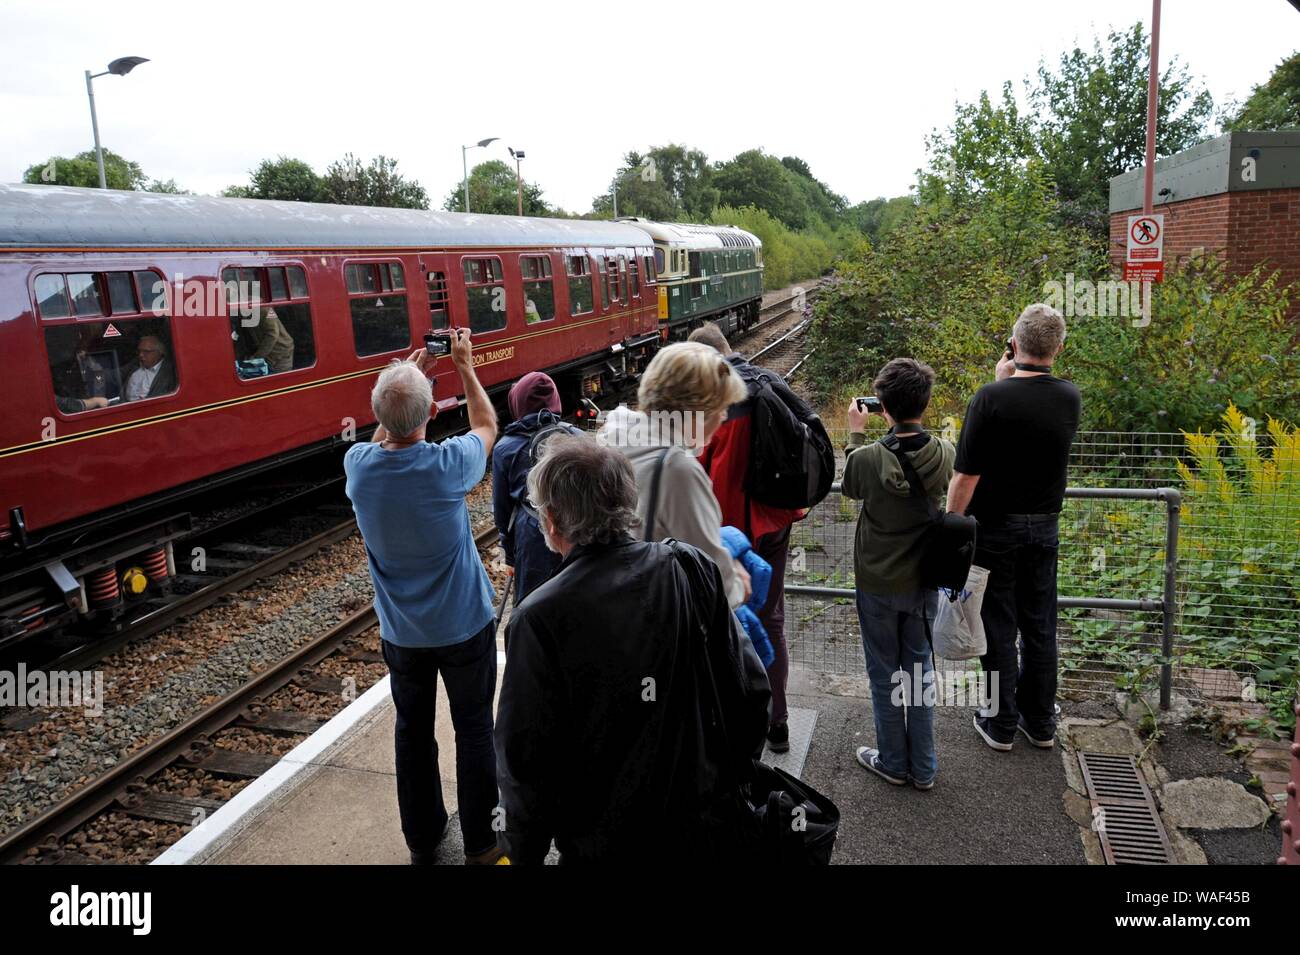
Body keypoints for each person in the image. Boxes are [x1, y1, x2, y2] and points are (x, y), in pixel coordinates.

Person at [494, 435, 772, 863]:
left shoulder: (538, 617)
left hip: (602, 843)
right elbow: (750, 688)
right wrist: (727, 778)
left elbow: (525, 761)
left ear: (550, 519)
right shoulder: (689, 566)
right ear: (626, 500)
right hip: (701, 823)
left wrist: (523, 852)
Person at [342, 328, 503, 865]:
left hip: (402, 636)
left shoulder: (358, 469)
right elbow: (487, 424)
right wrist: (464, 367)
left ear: (378, 416)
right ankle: (481, 843)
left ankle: (423, 839)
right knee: (475, 728)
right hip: (464, 625)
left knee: (412, 733)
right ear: (433, 413)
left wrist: (408, 385)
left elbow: (380, 435)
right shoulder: (447, 465)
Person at [946, 304, 1080, 752]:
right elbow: (1031, 417)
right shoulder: (1069, 397)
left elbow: (967, 475)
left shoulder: (990, 398)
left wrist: (953, 525)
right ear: (1058, 348)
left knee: (998, 625)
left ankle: (1000, 722)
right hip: (1044, 529)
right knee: (1040, 625)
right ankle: (1040, 722)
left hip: (995, 530)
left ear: (1015, 343)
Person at [688, 322, 804, 754]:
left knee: (726, 622)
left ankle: (737, 723)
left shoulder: (719, 404)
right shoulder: (770, 382)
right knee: (771, 619)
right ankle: (778, 720)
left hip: (734, 531)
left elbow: (707, 478)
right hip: (777, 520)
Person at [841, 359, 955, 790]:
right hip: (924, 579)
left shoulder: (868, 458)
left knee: (884, 674)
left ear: (881, 406)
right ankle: (923, 767)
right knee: (921, 671)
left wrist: (856, 431)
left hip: (876, 581)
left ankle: (892, 761)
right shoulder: (944, 452)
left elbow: (851, 487)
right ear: (924, 404)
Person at [599, 341, 750, 610]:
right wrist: (739, 586)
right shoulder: (676, 469)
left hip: (609, 603)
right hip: (655, 615)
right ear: (698, 412)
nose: (724, 417)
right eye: (721, 408)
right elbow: (712, 576)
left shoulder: (614, 435)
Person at [492, 372, 568, 602]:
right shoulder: (576, 437)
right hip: (574, 530)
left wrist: (510, 554)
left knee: (531, 603)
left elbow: (502, 509)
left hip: (532, 535)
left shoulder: (505, 449)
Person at [243, 306, 295, 374]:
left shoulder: (265, 309)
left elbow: (272, 334)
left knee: (279, 381)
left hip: (280, 353)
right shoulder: (241, 312)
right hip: (264, 354)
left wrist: (257, 357)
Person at [123, 335, 176, 401]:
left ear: (159, 352)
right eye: (139, 351)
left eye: (146, 351)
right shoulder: (134, 364)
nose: (141, 355)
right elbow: (115, 375)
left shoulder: (170, 372)